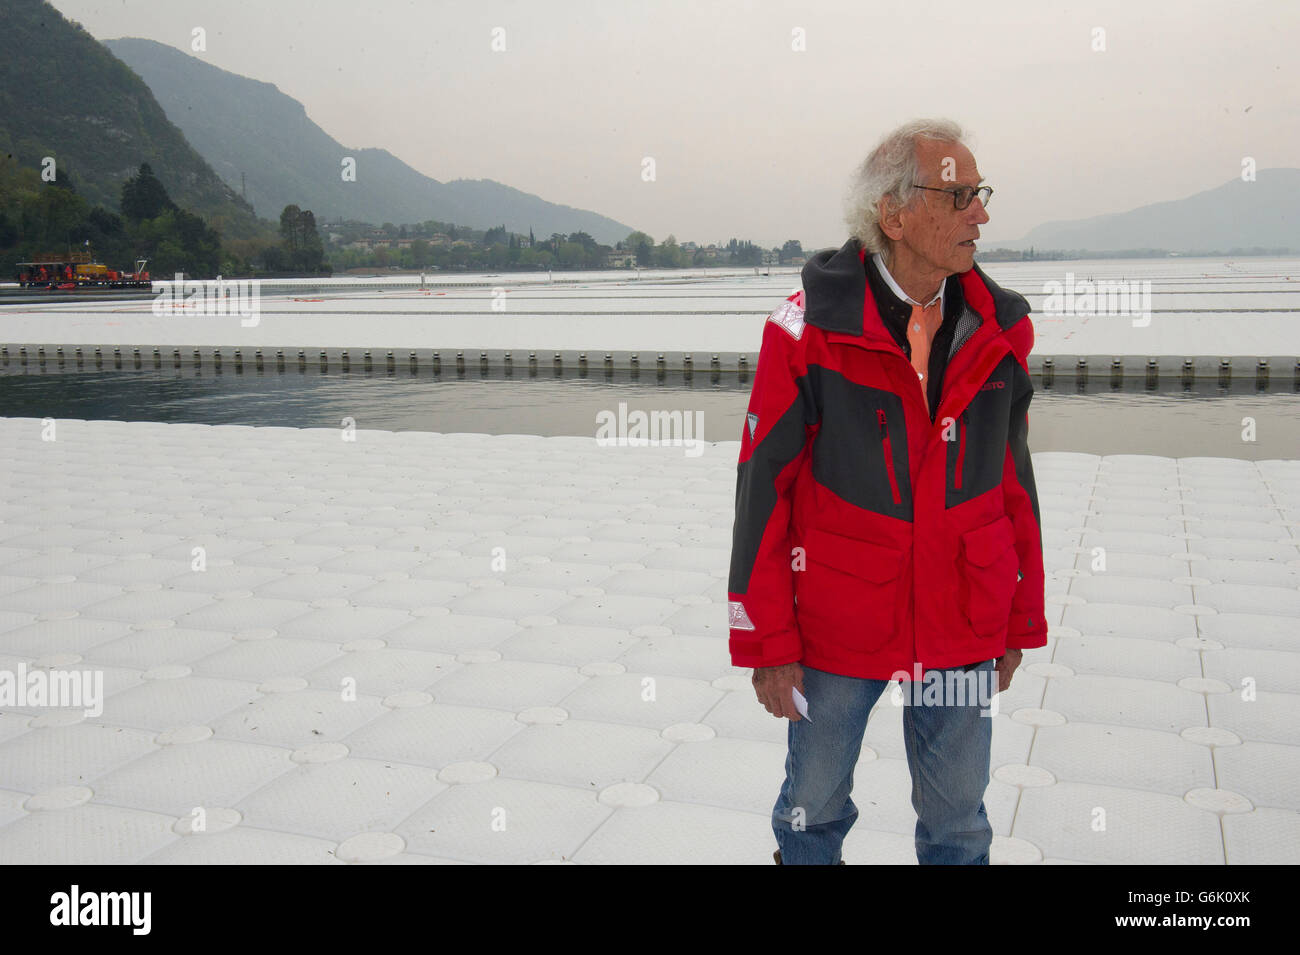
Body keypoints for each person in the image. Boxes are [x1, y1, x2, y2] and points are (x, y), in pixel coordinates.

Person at [727, 119, 1047, 865]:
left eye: (981, 193)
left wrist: (1018, 617)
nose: (981, 213)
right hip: (838, 625)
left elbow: (1013, 483)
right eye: (959, 195)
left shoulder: (998, 330)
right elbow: (763, 490)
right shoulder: (806, 329)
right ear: (894, 214)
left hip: (962, 619)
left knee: (958, 822)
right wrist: (768, 642)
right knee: (812, 809)